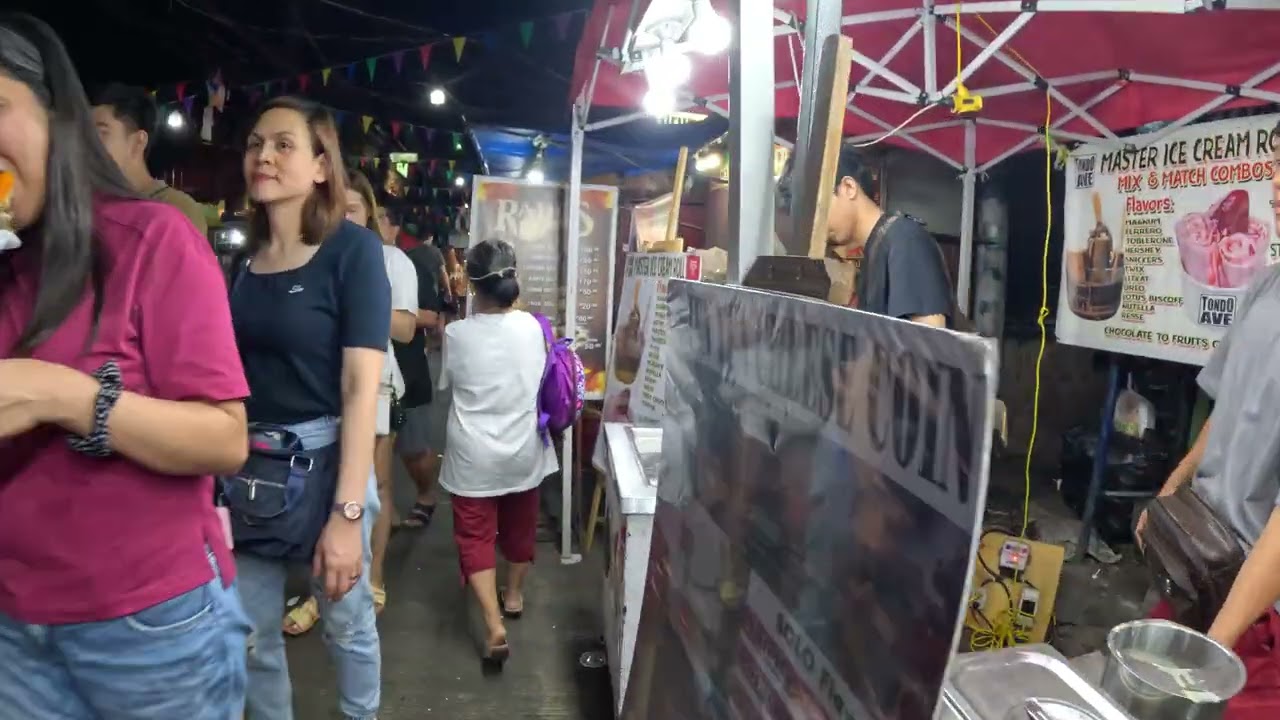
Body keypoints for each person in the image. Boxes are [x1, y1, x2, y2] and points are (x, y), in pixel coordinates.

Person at [0, 13, 250, 718]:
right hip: (12, 630)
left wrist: (66, 396)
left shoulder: (152, 238)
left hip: (150, 627)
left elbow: (225, 439)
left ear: (58, 118)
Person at [230, 95, 388, 720]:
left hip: (329, 466)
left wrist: (348, 514)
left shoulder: (353, 251)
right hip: (246, 469)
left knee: (346, 630)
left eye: (283, 144)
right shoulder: (241, 261)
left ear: (323, 166)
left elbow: (360, 386)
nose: (262, 155)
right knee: (248, 638)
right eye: (254, 144)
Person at [1134, 121, 1280, 717]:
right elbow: (1225, 410)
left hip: (1259, 610)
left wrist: (1215, 651)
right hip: (1203, 561)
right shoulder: (1265, 286)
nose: (1273, 179)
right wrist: (1169, 495)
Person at [440, 239, 557, 665]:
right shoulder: (536, 328)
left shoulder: (456, 334)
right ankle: (514, 594)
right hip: (524, 451)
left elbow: (448, 385)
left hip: (472, 457)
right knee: (521, 529)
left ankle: (493, 624)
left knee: (475, 537)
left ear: (472, 285)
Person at [786, 143, 953, 326]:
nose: (815, 224)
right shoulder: (875, 251)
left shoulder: (905, 240)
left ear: (848, 187)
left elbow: (928, 341)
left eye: (817, 209)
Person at [384, 212, 452, 530]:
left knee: (414, 450)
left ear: (393, 226)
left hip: (407, 369)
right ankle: (382, 514)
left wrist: (380, 309)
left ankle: (426, 494)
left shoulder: (407, 264)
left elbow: (431, 316)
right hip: (364, 376)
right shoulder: (343, 259)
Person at [91, 82, 208, 235]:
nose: (88, 143)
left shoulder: (178, 210)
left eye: (101, 133)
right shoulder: (88, 207)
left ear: (138, 141)